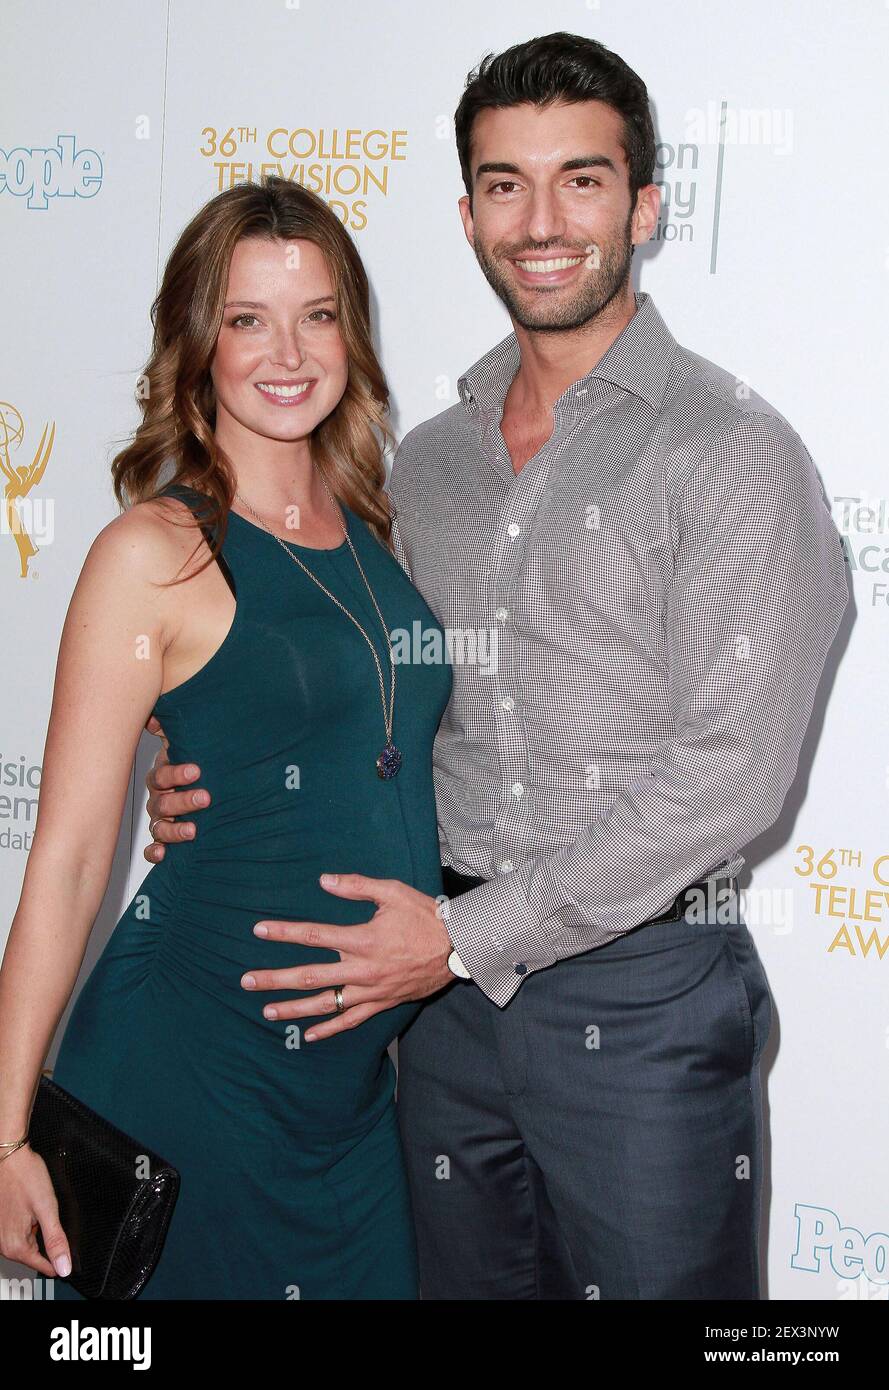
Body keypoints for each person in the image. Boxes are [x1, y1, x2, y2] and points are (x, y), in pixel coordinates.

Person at [145, 33, 849, 1299]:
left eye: (580, 181)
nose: (540, 221)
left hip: (640, 994)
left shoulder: (732, 451)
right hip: (433, 1006)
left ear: (642, 205)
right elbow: (347, 676)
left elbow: (734, 778)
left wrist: (467, 938)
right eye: (504, 185)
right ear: (466, 213)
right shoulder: (426, 463)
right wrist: (193, 765)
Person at [0, 175, 452, 1299]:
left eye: (317, 314)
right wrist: (3, 1137)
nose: (285, 351)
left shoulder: (374, 530)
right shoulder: (156, 550)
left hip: (347, 1108)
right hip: (190, 1066)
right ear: (198, 342)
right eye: (247, 318)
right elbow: (65, 862)